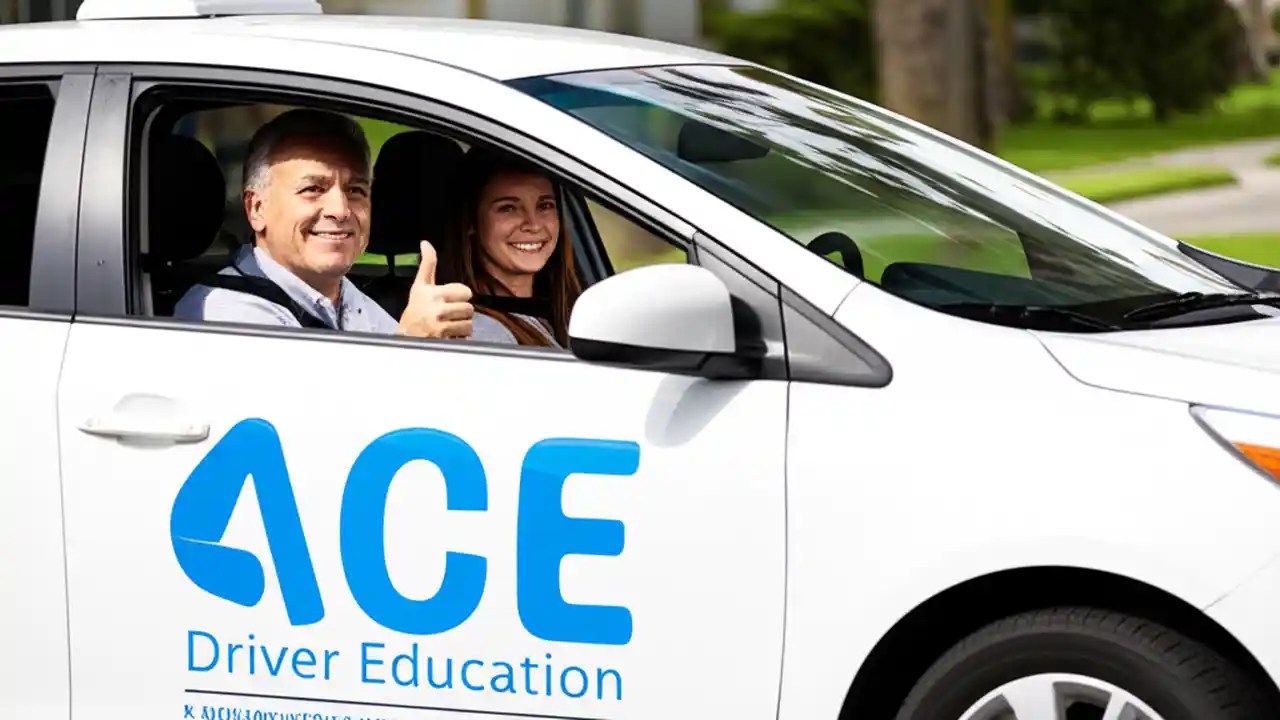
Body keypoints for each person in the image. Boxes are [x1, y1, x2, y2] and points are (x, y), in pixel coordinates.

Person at [174, 108, 473, 340]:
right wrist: (410, 346)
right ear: (257, 208)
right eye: (313, 189)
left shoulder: (346, 298)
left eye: (355, 190)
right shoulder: (222, 312)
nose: (340, 210)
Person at [437, 148, 582, 348]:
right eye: (508, 208)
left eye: (545, 206)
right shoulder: (480, 333)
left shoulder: (559, 311)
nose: (533, 225)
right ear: (471, 221)